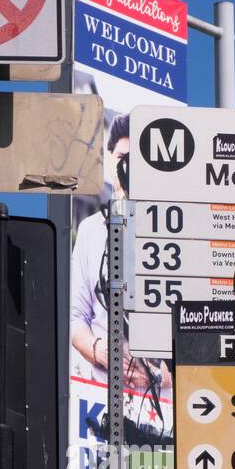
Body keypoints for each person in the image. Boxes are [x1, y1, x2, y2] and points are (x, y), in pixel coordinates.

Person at [70, 113, 172, 404]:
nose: (126, 166)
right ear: (111, 159)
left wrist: (159, 375)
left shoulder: (167, 232)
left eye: (135, 159)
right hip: (97, 394)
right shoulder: (90, 231)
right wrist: (102, 351)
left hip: (162, 407)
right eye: (121, 156)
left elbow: (197, 334)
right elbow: (76, 315)